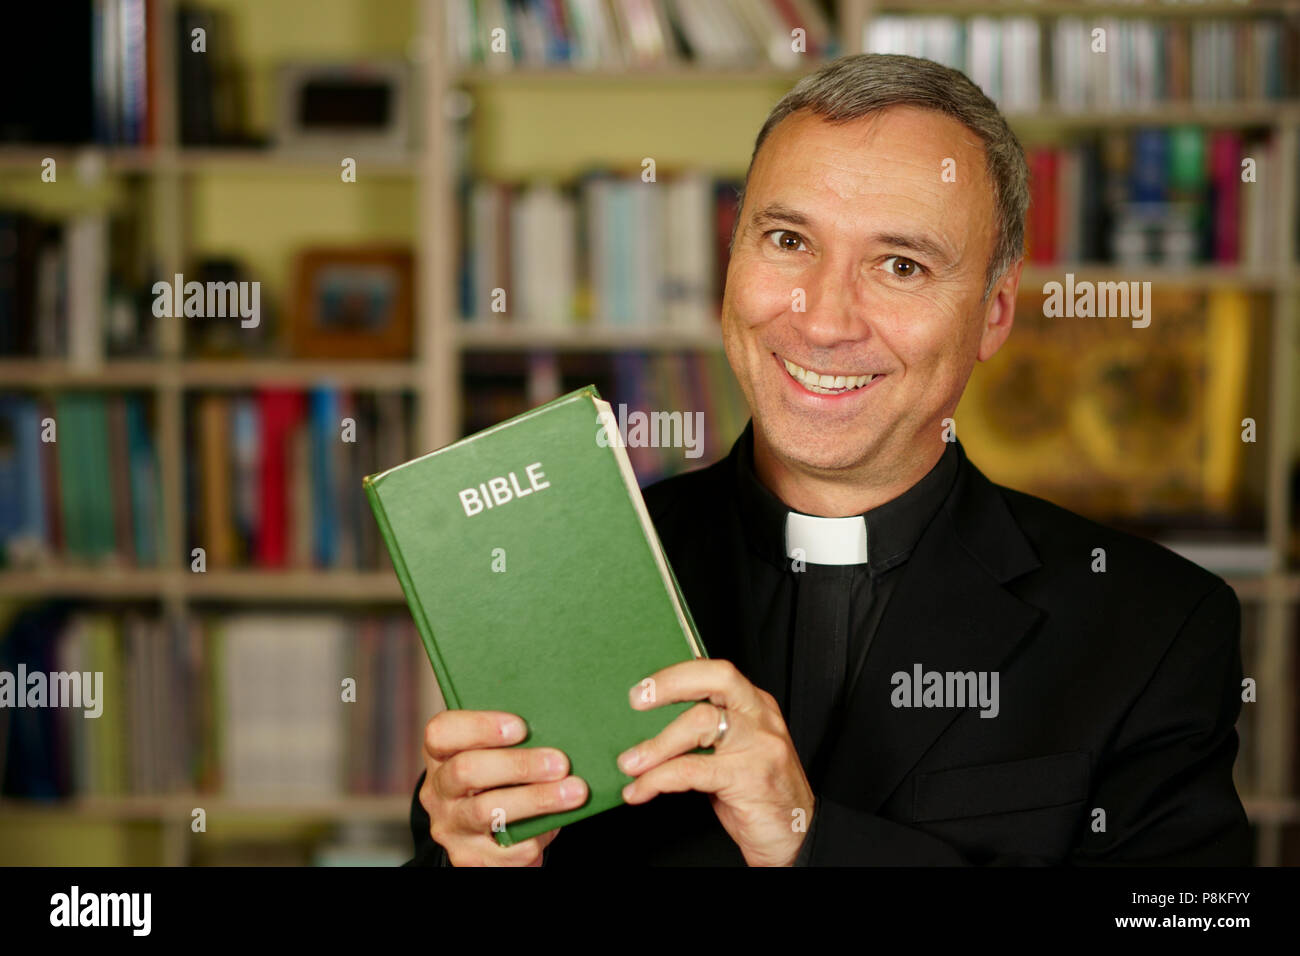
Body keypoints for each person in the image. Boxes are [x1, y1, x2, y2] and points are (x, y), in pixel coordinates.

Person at [407, 54, 1251, 866]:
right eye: (787, 241)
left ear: (995, 313)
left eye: (900, 264)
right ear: (730, 260)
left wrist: (815, 842)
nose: (823, 320)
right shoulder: (555, 572)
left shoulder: (1154, 628)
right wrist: (471, 860)